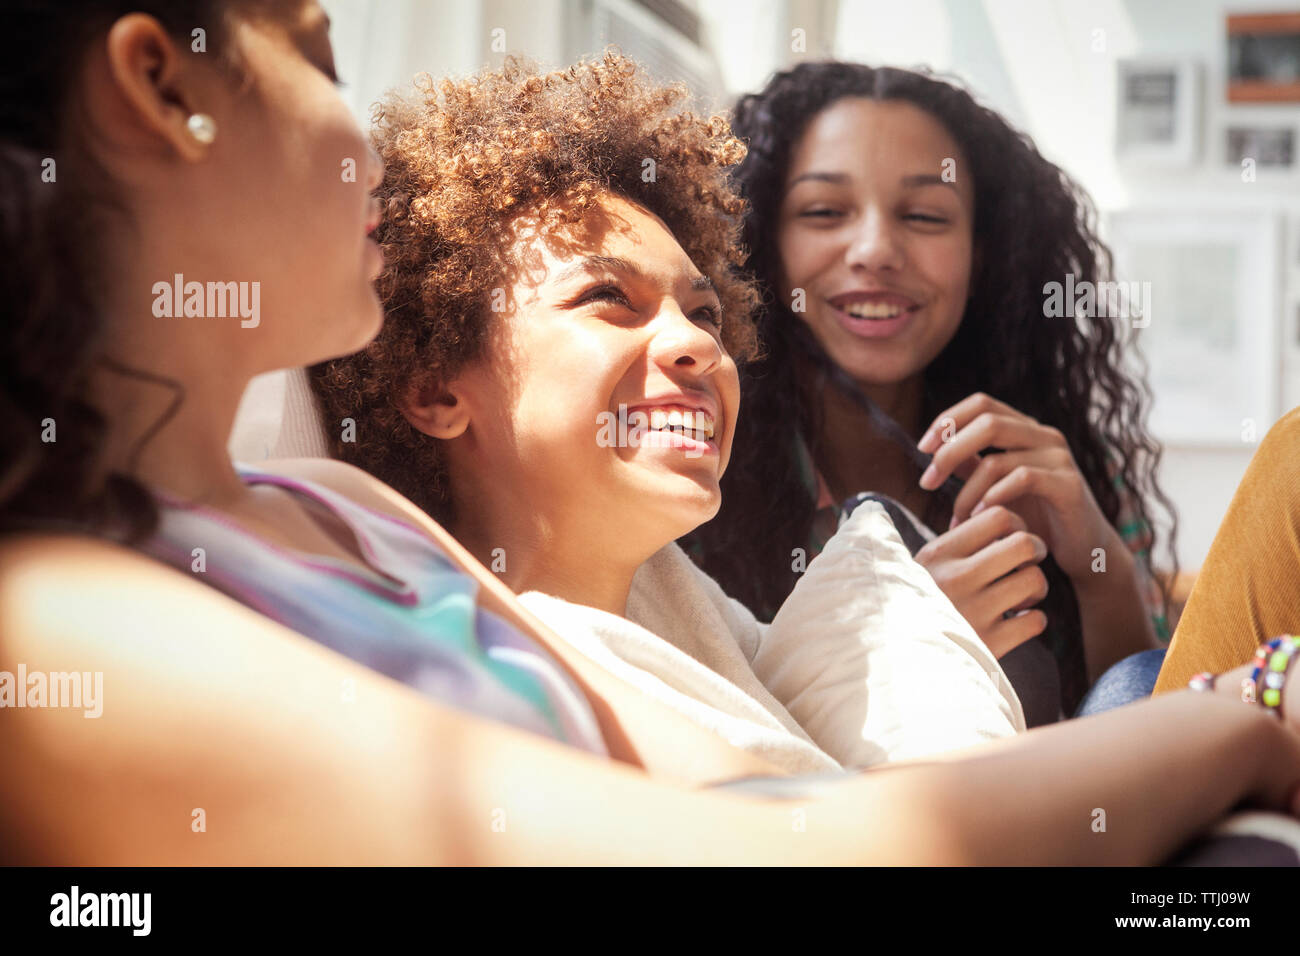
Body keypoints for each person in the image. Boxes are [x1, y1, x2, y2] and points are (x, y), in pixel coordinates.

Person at [5, 0, 1300, 866]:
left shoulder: (344, 514)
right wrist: (1245, 714)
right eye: (321, 54)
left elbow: (789, 794)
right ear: (162, 81)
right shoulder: (55, 627)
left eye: (701, 308)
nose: (695, 345)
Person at [310, 53, 1025, 774]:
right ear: (436, 392)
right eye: (607, 299)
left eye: (705, 313)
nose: (698, 346)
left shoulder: (680, 606)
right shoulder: (524, 679)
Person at [682, 62, 1178, 724]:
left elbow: (1144, 724)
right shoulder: (689, 467)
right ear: (760, 245)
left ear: (984, 260)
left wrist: (1099, 569)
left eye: (923, 215)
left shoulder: (1060, 466)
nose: (876, 250)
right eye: (825, 211)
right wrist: (900, 637)